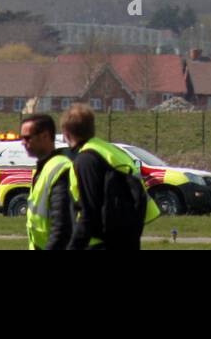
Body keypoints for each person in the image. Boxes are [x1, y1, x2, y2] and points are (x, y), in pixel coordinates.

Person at [62, 103, 158, 250]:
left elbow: (89, 212)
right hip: (127, 238)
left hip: (99, 242)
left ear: (67, 133)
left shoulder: (86, 159)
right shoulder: (110, 151)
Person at [19, 113, 73, 251]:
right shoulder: (43, 168)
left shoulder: (60, 168)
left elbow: (61, 226)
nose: (23, 142)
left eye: (27, 138)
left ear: (45, 136)